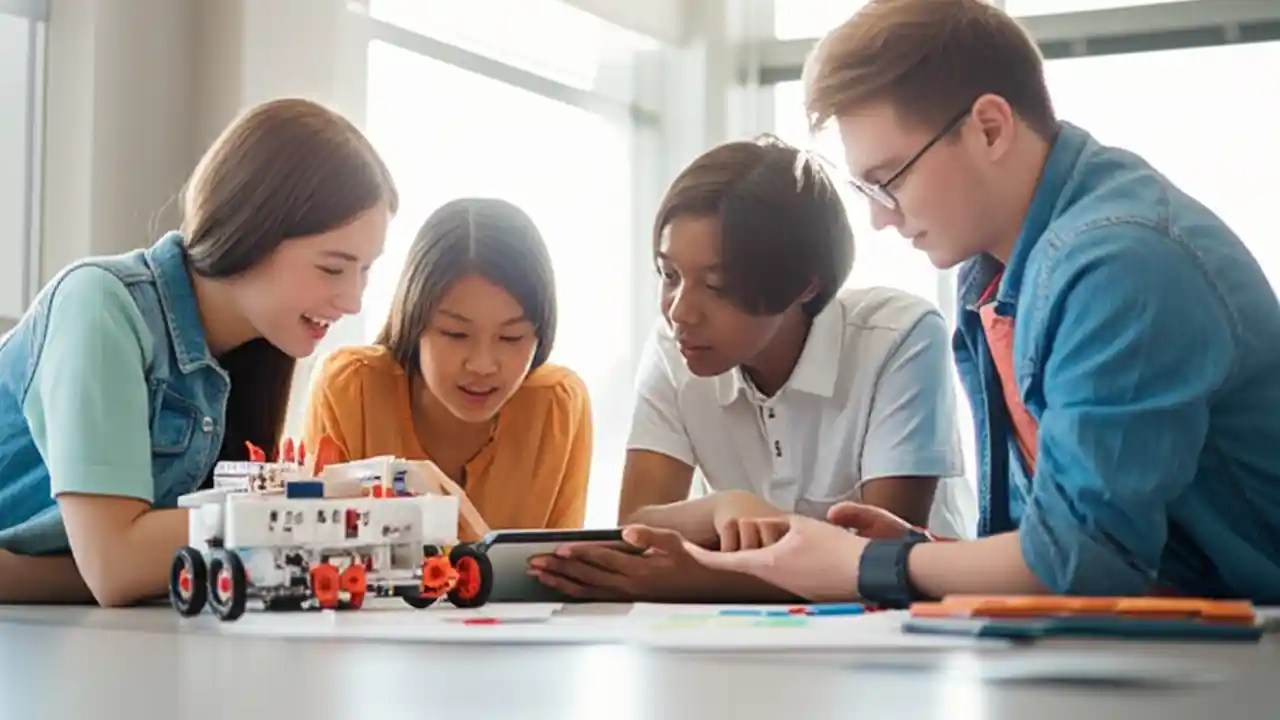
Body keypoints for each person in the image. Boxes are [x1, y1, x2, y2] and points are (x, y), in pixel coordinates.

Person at [686, 0, 1280, 605]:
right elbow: (1050, 545)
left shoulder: (1120, 265)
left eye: (889, 180)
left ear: (990, 128)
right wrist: (923, 553)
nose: (880, 218)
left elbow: (1082, 560)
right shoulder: (997, 274)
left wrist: (866, 564)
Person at [529, 135, 971, 601]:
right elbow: (636, 525)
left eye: (716, 285)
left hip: (913, 626)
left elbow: (881, 562)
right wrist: (721, 507)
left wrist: (705, 579)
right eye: (670, 275)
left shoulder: (899, 338)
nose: (680, 312)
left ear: (804, 285)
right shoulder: (674, 348)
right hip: (748, 629)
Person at [0, 98, 397, 606]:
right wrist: (306, 514)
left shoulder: (253, 352)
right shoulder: (99, 304)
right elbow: (116, 570)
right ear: (253, 231)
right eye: (332, 268)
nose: (353, 300)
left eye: (366, 270)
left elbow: (139, 570)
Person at [304, 198, 591, 538]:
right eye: (456, 334)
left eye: (511, 337)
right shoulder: (351, 388)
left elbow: (559, 565)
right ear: (414, 321)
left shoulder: (558, 405)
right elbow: (319, 547)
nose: (482, 364)